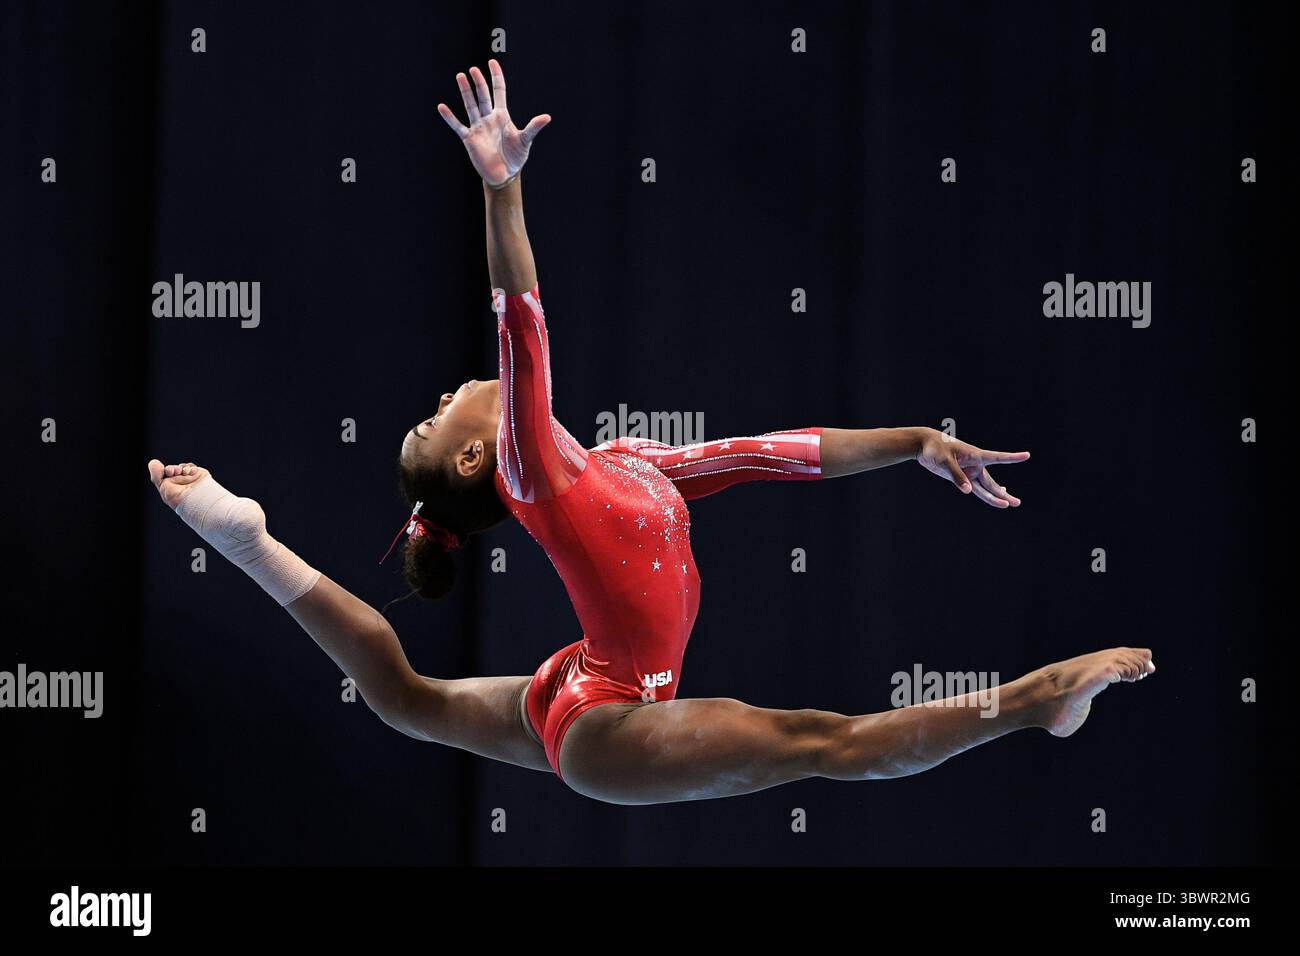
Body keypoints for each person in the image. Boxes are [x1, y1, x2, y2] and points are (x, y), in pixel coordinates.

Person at [147, 60, 1154, 806]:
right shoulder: (530, 468)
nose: (438, 394)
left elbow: (769, 452)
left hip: (578, 680)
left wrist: (915, 441)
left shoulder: (620, 462)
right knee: (822, 739)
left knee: (409, 697)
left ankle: (251, 542)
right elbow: (519, 317)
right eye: (427, 419)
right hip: (605, 722)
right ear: (472, 456)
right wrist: (503, 185)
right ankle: (1036, 698)